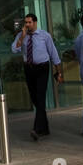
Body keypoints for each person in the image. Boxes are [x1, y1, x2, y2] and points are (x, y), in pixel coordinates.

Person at [11, 13, 61, 141]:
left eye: (29, 22)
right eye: (26, 22)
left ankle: (37, 129)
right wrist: (22, 37)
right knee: (35, 99)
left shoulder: (45, 35)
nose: (27, 25)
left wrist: (58, 71)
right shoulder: (21, 35)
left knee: (40, 96)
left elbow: (53, 53)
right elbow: (14, 49)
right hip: (29, 69)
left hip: (42, 68)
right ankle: (45, 128)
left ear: (35, 22)